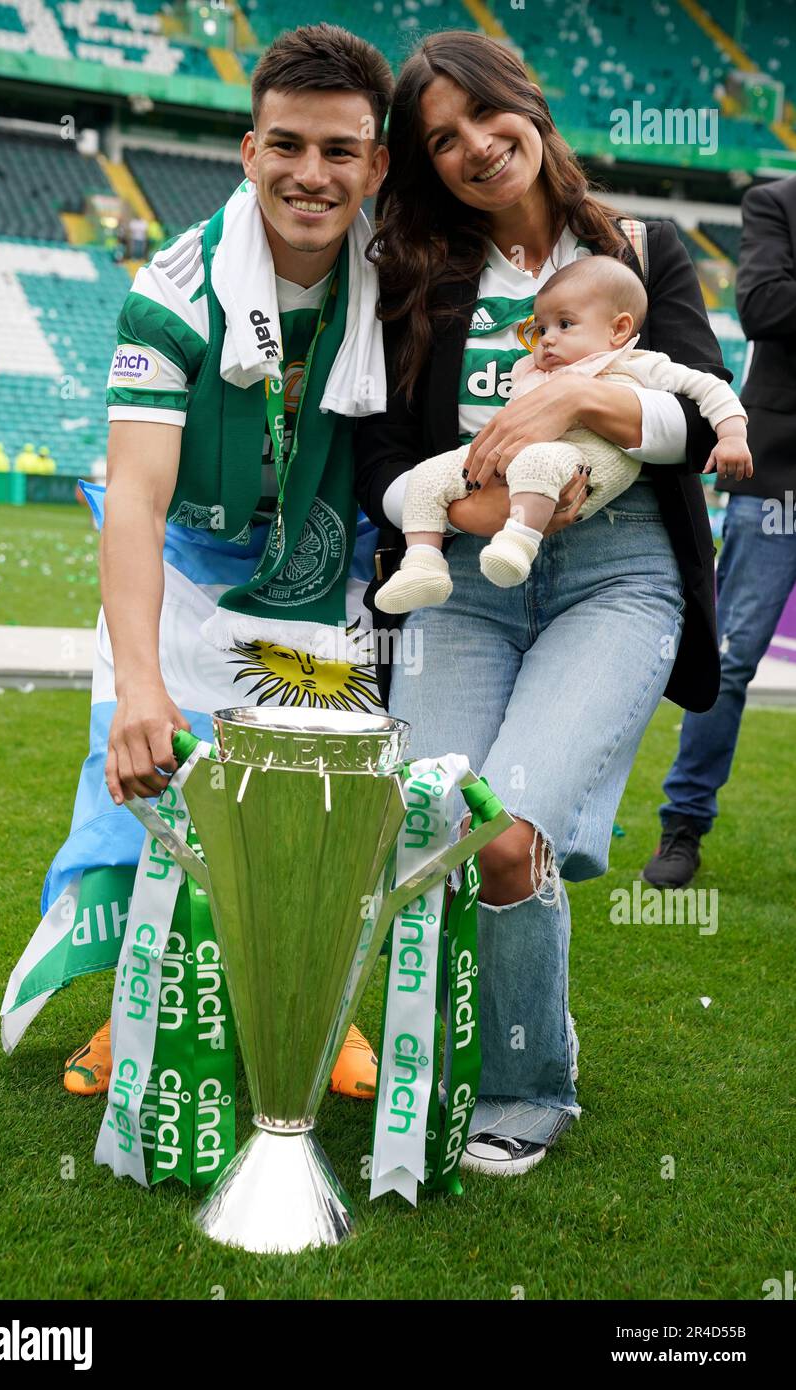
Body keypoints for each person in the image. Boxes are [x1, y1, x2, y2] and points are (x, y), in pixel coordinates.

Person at [2, 24, 394, 1111]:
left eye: (340, 151)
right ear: (248, 149)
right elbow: (134, 494)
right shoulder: (170, 291)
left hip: (326, 576)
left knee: (314, 813)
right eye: (287, 145)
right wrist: (140, 682)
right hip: (187, 567)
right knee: (143, 789)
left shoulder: (405, 288)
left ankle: (320, 1006)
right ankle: (136, 1003)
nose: (311, 174)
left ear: (378, 164)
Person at [355, 32, 726, 1176]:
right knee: (445, 829)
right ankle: (455, 1050)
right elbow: (384, 453)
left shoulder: (646, 251)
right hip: (465, 577)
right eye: (441, 139)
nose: (475, 147)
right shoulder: (416, 268)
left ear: (529, 104)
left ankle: (525, 1089)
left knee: (511, 830)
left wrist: (579, 392)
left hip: (619, 577)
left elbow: (705, 430)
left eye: (485, 115)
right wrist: (474, 507)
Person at [374, 256, 751, 611]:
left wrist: (732, 435)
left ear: (618, 329)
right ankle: (423, 564)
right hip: (511, 461)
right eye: (541, 329)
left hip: (581, 457)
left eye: (564, 325)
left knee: (543, 461)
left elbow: (709, 388)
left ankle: (518, 542)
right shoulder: (531, 370)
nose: (547, 339)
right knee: (425, 476)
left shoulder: (637, 363)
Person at [642, 173, 796, 887]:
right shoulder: (775, 200)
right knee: (730, 659)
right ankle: (682, 825)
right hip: (776, 475)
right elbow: (763, 305)